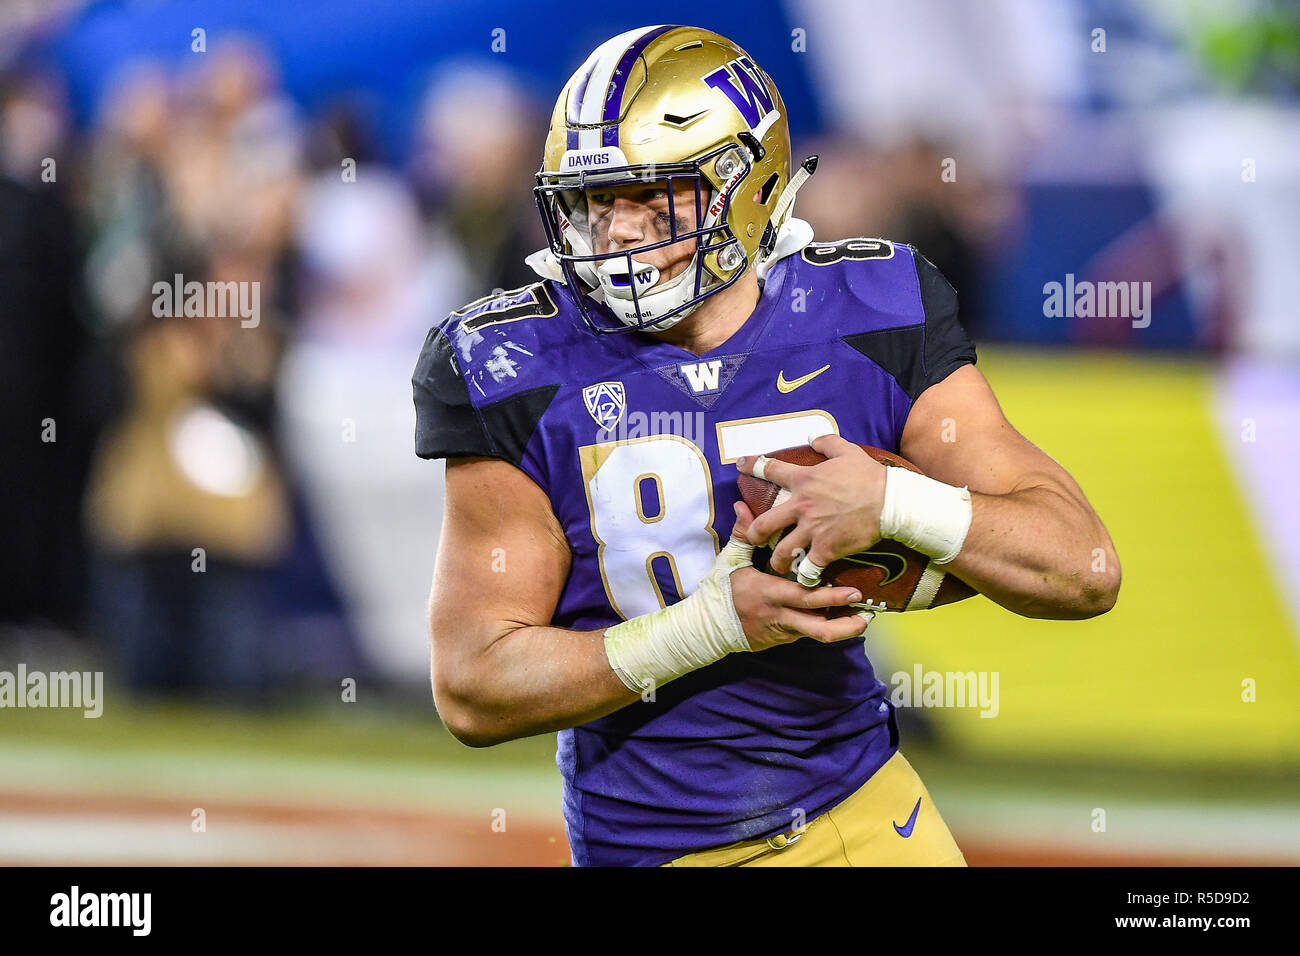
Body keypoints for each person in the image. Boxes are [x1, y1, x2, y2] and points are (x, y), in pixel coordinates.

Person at [412, 25, 1120, 867]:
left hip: (865, 814)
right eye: (597, 201)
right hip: (656, 850)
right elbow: (473, 686)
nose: (620, 232)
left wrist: (895, 503)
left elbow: (1084, 569)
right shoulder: (511, 365)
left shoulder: (871, 310)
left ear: (744, 188)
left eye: (653, 195)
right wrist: (706, 629)